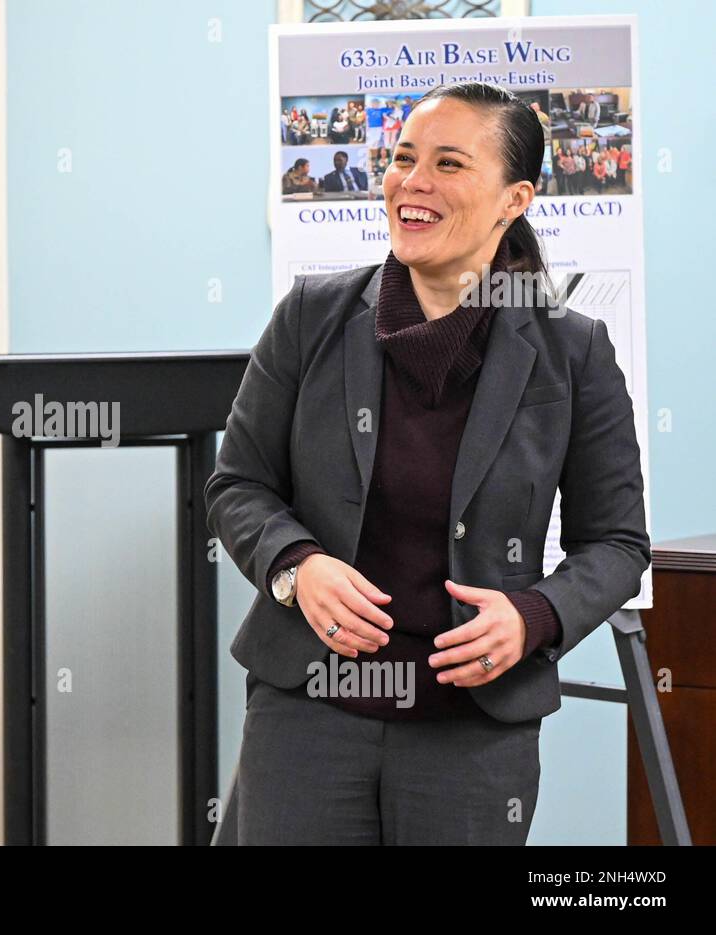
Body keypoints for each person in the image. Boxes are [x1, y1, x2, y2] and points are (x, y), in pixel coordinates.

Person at [209, 81, 648, 845]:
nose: (413, 183)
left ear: (515, 198)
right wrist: (296, 565)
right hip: (308, 716)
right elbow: (238, 483)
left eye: (449, 164)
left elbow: (617, 543)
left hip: (471, 735)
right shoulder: (311, 317)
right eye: (404, 158)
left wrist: (534, 616)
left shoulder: (572, 351)